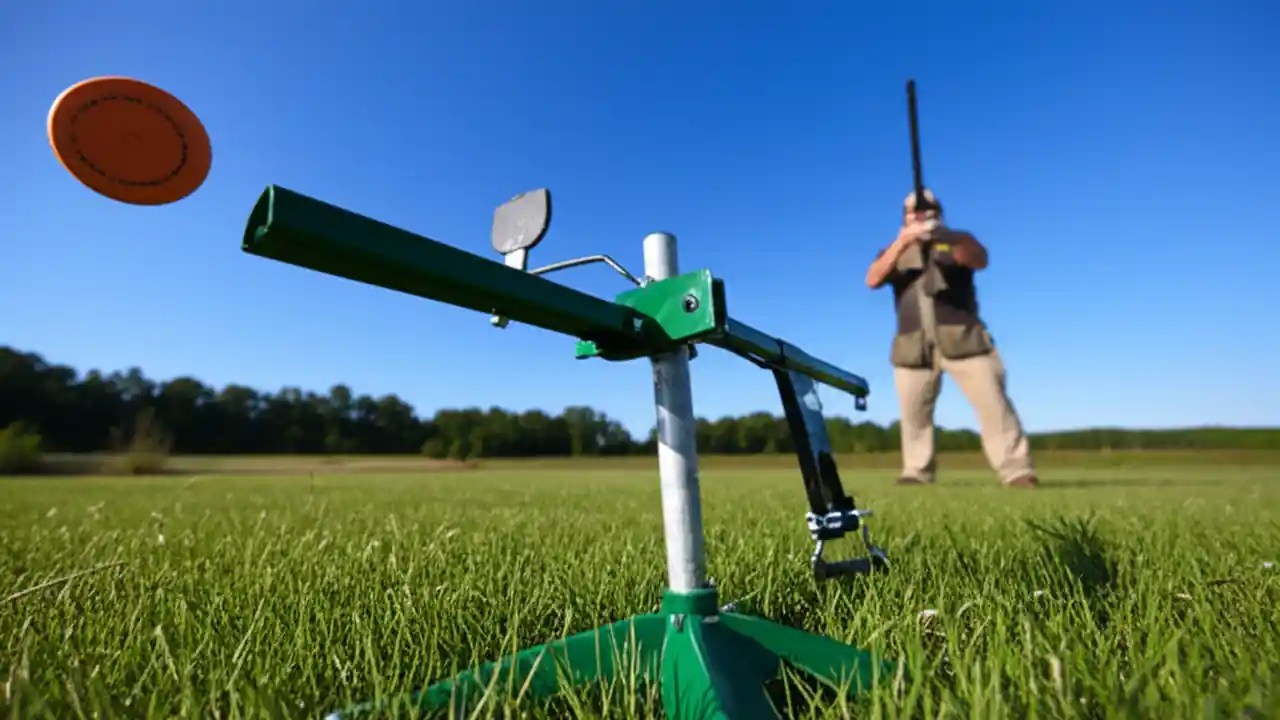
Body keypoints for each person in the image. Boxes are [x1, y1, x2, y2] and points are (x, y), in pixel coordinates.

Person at [864, 188, 1038, 488]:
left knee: (995, 407)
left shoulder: (958, 240)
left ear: (939, 212)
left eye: (926, 208)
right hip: (913, 347)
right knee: (914, 416)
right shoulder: (893, 250)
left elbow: (978, 259)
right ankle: (916, 472)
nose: (919, 213)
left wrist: (944, 237)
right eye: (911, 210)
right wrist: (904, 241)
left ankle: (1016, 470)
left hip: (965, 341)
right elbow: (873, 279)